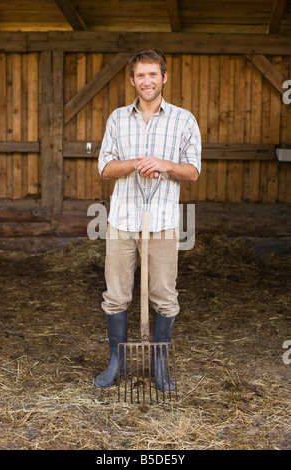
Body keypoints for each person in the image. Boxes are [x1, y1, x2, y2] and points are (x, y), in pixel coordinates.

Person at [95, 49, 201, 391]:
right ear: (132, 80)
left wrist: (164, 164)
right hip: (122, 221)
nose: (147, 81)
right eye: (140, 75)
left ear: (164, 77)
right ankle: (117, 362)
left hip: (163, 222)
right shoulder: (117, 119)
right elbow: (105, 167)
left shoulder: (184, 120)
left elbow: (194, 170)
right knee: (116, 295)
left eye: (153, 74)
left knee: (164, 296)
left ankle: (159, 364)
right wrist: (137, 163)